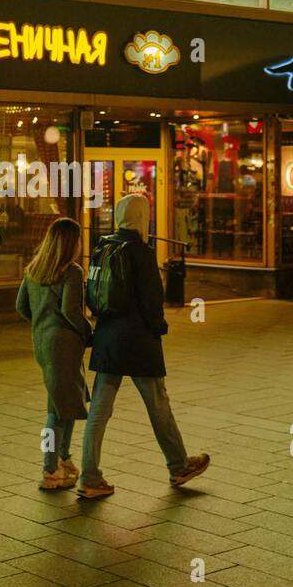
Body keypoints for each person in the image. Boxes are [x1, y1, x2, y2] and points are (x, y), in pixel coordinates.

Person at [77, 193, 210, 498]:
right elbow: (152, 299)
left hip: (108, 336)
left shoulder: (103, 246)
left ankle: (89, 475)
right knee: (158, 403)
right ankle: (178, 465)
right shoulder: (140, 251)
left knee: (99, 408)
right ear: (142, 217)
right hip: (138, 340)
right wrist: (159, 327)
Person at [16, 218, 92, 490]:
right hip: (65, 346)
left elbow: (21, 305)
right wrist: (87, 332)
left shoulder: (34, 270)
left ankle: (64, 458)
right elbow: (72, 311)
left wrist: (41, 325)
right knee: (56, 411)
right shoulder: (70, 271)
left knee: (66, 404)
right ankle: (50, 469)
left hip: (43, 345)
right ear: (71, 243)